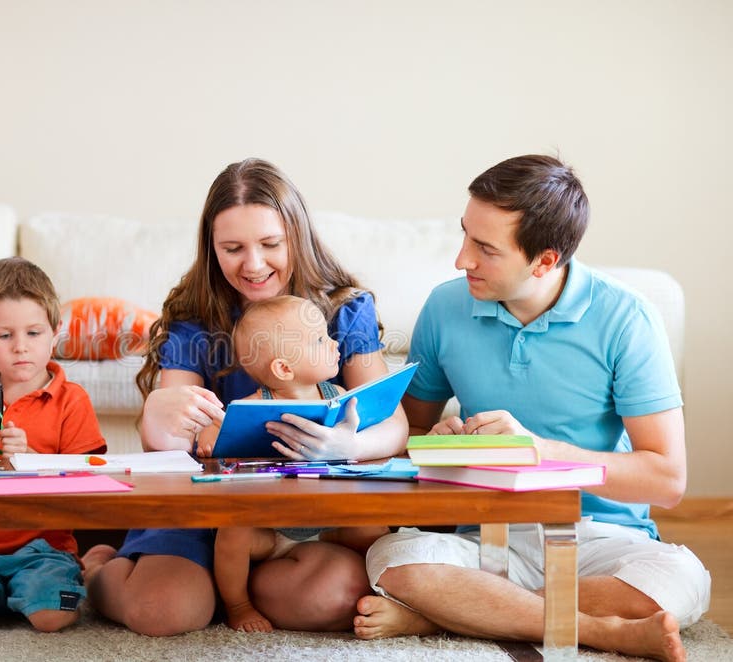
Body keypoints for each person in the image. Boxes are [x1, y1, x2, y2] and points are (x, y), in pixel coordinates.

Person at [354, 155, 711, 662]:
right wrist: (440, 442)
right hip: (485, 536)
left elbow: (667, 479)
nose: (461, 260)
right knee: (389, 560)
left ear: (544, 261)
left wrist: (539, 453)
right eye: (464, 236)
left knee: (681, 580)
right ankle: (602, 631)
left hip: (601, 539)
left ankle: (446, 616)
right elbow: (408, 431)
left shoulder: (627, 318)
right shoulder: (444, 308)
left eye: (485, 249)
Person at [81, 157, 408, 636]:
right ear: (212, 250)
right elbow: (165, 443)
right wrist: (158, 411)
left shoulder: (340, 310)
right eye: (232, 248)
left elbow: (393, 423)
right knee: (164, 611)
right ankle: (100, 571)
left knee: (337, 597)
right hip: (207, 508)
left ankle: (229, 588)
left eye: (270, 244)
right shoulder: (195, 316)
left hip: (294, 520)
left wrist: (350, 448)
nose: (253, 265)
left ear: (296, 237)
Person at [0, 257, 106, 632]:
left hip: (45, 547)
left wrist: (32, 459)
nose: (20, 348)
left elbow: (88, 485)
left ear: (55, 333)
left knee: (53, 619)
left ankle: (85, 568)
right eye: (5, 335)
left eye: (33, 333)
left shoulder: (71, 400)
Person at [199, 295, 389, 632]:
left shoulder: (337, 395)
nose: (334, 344)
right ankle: (238, 606)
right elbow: (221, 421)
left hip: (329, 521)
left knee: (374, 525)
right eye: (319, 340)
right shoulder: (256, 404)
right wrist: (209, 435)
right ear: (284, 368)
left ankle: (390, 588)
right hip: (272, 531)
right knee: (233, 533)